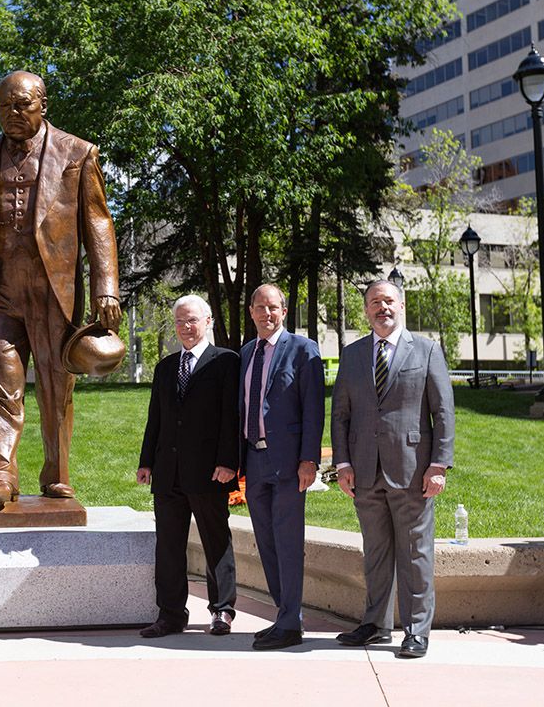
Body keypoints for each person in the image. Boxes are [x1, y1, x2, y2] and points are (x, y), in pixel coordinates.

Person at [0, 70, 121, 504]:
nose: (12, 114)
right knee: (3, 383)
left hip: (54, 292)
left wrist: (106, 286)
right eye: (4, 106)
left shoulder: (78, 153)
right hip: (0, 290)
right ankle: (3, 475)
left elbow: (97, 222)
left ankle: (56, 472)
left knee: (57, 386)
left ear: (42, 105)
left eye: (21, 105)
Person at [331, 279, 455, 659]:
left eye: (388, 301)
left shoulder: (427, 349)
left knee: (416, 553)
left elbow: (443, 410)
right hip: (365, 472)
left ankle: (417, 631)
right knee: (376, 552)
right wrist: (343, 463)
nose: (381, 308)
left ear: (400, 305)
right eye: (374, 302)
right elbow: (340, 415)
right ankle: (376, 624)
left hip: (413, 470)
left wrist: (438, 464)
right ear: (366, 310)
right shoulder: (352, 355)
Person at [136, 294, 239, 638]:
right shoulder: (166, 367)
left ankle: (222, 610)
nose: (185, 327)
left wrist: (228, 462)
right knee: (168, 545)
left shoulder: (226, 362)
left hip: (209, 471)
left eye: (192, 320)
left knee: (215, 541)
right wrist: (146, 460)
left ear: (208, 321)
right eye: (180, 321)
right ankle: (170, 614)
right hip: (168, 472)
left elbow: (231, 417)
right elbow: (157, 419)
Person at [239, 284, 324, 650]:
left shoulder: (304, 351)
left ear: (284, 312)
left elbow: (313, 410)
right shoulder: (245, 353)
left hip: (290, 463)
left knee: (288, 542)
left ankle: (290, 625)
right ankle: (283, 615)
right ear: (251, 312)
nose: (266, 314)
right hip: (254, 460)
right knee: (267, 543)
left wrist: (310, 460)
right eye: (259, 307)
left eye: (272, 307)